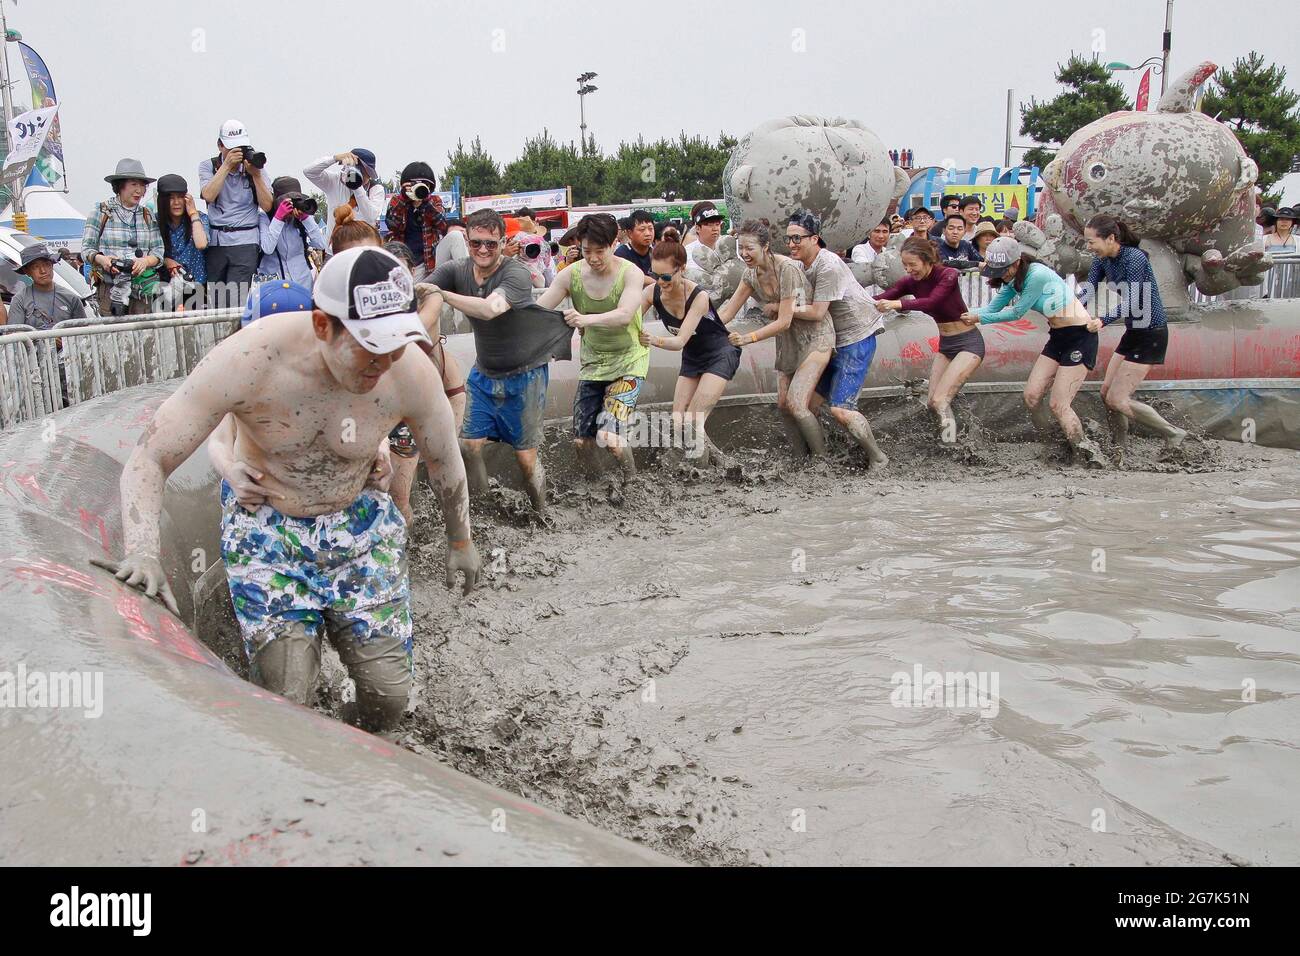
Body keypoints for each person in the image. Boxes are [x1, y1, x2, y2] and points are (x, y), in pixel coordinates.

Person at [101, 246, 479, 731]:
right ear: (324, 325)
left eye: (395, 342)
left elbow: (445, 460)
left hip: (360, 532)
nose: (383, 361)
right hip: (269, 536)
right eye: (369, 344)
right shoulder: (249, 359)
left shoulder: (409, 373)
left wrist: (461, 539)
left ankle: (360, 753)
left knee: (388, 698)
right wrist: (143, 552)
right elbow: (151, 456)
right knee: (286, 698)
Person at [329, 206, 468, 524]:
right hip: (350, 412)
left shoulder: (416, 297)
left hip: (403, 406)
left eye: (371, 255)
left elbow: (412, 335)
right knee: (354, 498)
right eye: (353, 258)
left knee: (397, 495)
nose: (364, 266)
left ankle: (409, 557)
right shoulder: (327, 305)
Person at [423, 208, 568, 511]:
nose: (483, 250)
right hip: (484, 374)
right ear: (466, 240)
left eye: (491, 243)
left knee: (526, 459)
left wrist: (445, 295)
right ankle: (483, 506)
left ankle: (542, 511)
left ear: (504, 242)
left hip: (525, 373)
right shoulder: (455, 270)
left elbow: (491, 309)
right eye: (476, 243)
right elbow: (424, 292)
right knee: (469, 447)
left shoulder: (515, 273)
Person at [961, 237, 1107, 465]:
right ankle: (1054, 444)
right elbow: (992, 308)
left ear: (1017, 263)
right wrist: (964, 314)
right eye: (997, 271)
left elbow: (1016, 313)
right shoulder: (1013, 281)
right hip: (1058, 337)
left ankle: (1083, 456)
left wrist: (978, 317)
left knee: (1059, 404)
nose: (1002, 275)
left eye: (1004, 270)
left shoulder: (1036, 274)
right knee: (1031, 396)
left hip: (1080, 336)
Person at [538, 213, 647, 478]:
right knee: (581, 442)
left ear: (614, 244)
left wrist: (586, 319)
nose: (594, 258)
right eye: (587, 251)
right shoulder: (570, 276)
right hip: (592, 364)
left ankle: (634, 485)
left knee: (610, 437)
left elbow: (623, 315)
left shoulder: (630, 273)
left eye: (601, 251)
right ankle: (598, 487)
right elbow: (538, 310)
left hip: (629, 362)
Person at [716, 219, 834, 456]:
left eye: (750, 248)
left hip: (815, 338)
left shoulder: (787, 268)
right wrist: (700, 327)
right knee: (782, 405)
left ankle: (822, 460)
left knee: (797, 405)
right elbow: (728, 311)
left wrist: (748, 338)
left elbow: (784, 320)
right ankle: (800, 457)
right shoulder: (750, 274)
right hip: (787, 342)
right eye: (741, 248)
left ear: (766, 246)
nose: (744, 254)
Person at [785, 210, 890, 468]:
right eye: (788, 239)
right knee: (808, 404)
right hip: (830, 339)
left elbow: (817, 311)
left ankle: (878, 457)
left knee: (841, 409)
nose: (791, 245)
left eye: (797, 239)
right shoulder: (799, 266)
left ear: (815, 238)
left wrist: (782, 310)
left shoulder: (829, 265)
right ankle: (825, 455)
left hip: (856, 335)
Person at [1081, 214, 1186, 453]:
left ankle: (1173, 433)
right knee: (1106, 392)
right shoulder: (1101, 259)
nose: (1088, 247)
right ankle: (1119, 447)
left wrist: (1103, 320)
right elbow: (1087, 291)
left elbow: (1133, 300)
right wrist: (1067, 309)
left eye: (1091, 241)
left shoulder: (1134, 258)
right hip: (1134, 331)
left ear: (1110, 238)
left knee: (1117, 399)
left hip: (1152, 333)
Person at [638, 227, 741, 465]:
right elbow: (629, 320)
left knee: (693, 422)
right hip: (693, 357)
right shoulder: (651, 292)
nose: (660, 283)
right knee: (677, 422)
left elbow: (679, 341)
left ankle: (701, 478)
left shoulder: (699, 297)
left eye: (666, 277)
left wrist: (653, 340)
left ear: (682, 270)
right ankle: (723, 464)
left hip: (720, 353)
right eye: (655, 276)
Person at [875, 235, 983, 439]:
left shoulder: (948, 275)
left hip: (968, 344)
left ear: (927, 259)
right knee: (933, 401)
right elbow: (884, 296)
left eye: (912, 264)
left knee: (941, 400)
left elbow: (932, 302)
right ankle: (951, 438)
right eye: (905, 265)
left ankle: (953, 447)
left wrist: (898, 304)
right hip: (946, 345)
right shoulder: (910, 281)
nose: (908, 270)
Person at [199, 120, 275, 307]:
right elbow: (208, 195)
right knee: (216, 302)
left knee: (236, 301)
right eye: (232, 147)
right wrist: (225, 166)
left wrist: (256, 175)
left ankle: (236, 334)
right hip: (217, 242)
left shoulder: (255, 167)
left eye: (240, 147)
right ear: (220, 145)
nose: (237, 152)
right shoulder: (208, 166)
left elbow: (267, 205)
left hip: (245, 242)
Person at [81, 158, 164, 316]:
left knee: (145, 337)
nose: (139, 190)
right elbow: (86, 250)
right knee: (114, 336)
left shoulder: (147, 214)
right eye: (134, 184)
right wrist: (103, 260)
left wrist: (144, 262)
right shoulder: (101, 211)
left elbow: (158, 252)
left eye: (142, 185)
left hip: (143, 290)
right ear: (120, 186)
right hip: (111, 287)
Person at [257, 177, 327, 288]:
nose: (292, 205)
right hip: (275, 284)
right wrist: (278, 218)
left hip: (302, 282)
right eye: (288, 201)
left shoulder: (302, 219)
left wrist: (305, 218)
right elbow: (267, 248)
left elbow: (321, 244)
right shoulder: (265, 217)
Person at [154, 173, 209, 310]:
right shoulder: (154, 221)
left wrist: (193, 214)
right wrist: (167, 261)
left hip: (196, 287)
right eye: (171, 198)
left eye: (180, 197)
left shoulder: (200, 218)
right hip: (165, 287)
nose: (176, 202)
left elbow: (201, 244)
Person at [302, 148, 384, 237]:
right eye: (362, 171)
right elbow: (308, 172)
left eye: (367, 172)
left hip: (362, 246)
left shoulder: (376, 189)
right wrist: (334, 158)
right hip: (335, 248)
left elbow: (370, 216)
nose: (365, 176)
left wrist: (356, 184)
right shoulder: (334, 181)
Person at [386, 162, 447, 281]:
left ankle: (465, 278)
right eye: (413, 184)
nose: (419, 187)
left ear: (430, 186)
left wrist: (426, 202)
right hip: (407, 262)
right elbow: (392, 225)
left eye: (424, 184)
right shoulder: (397, 201)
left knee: (455, 236)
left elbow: (442, 225)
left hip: (431, 261)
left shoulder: (434, 201)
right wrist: (404, 199)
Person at [6, 243, 87, 329]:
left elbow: (84, 334)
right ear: (27, 272)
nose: (43, 271)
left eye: (46, 265)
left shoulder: (71, 298)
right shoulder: (20, 300)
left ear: (52, 266)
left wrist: (65, 337)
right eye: (36, 267)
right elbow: (15, 333)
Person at [615, 209, 656, 282]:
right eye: (642, 230)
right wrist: (654, 282)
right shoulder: (621, 254)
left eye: (650, 229)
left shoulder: (656, 252)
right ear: (630, 233)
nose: (648, 233)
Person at [685, 202, 725, 270]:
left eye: (717, 224)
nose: (715, 228)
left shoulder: (728, 246)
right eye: (710, 225)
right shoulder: (688, 252)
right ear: (697, 228)